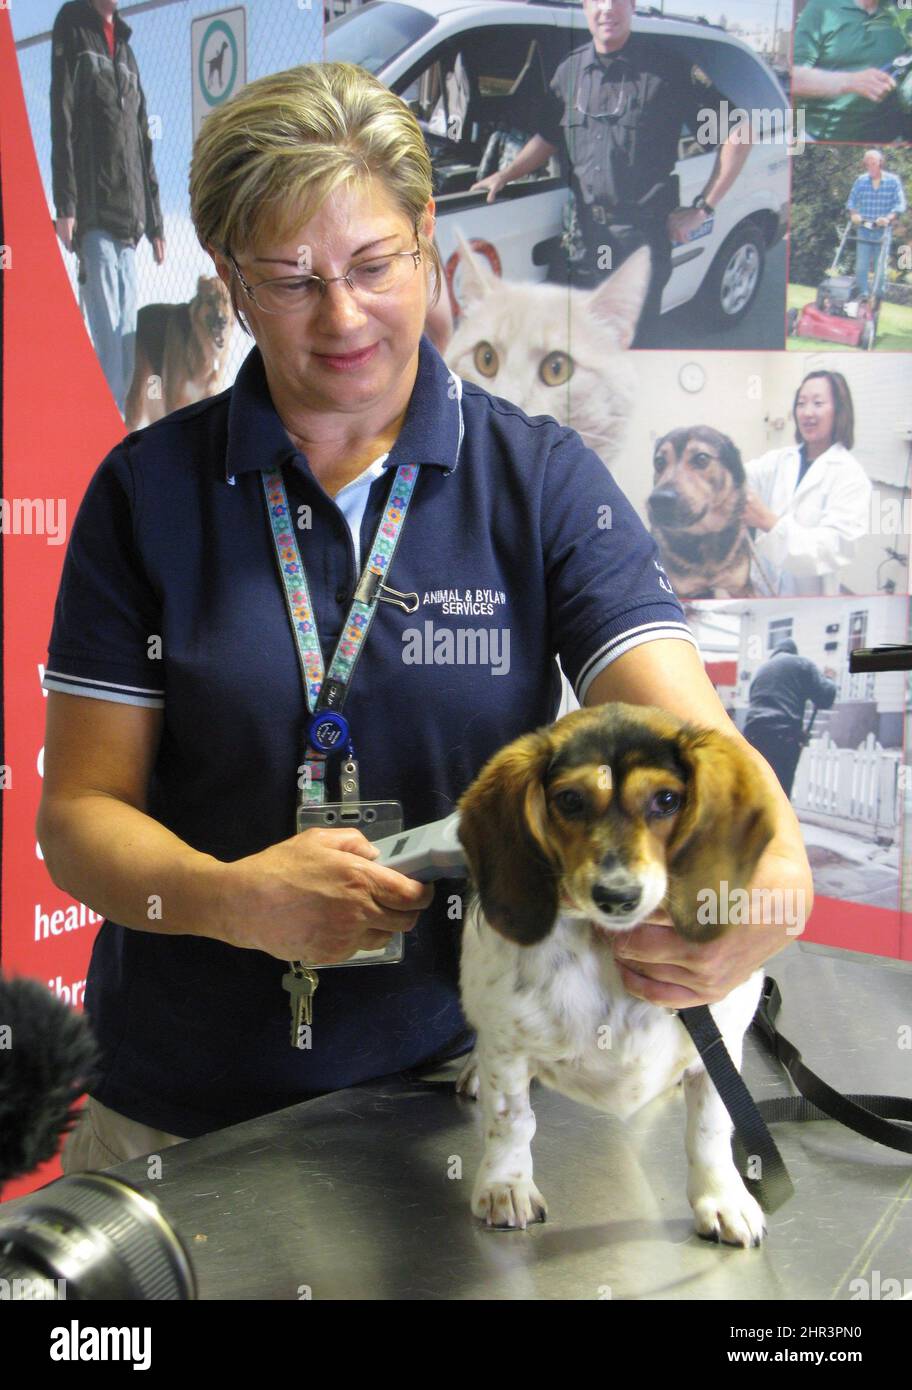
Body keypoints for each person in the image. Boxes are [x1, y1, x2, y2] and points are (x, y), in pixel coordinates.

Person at [38, 62, 812, 1175]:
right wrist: (233, 899)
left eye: (373, 265)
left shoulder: (541, 479)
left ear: (429, 240)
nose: (343, 316)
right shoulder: (146, 495)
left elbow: (689, 732)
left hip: (444, 1107)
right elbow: (78, 815)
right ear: (231, 278)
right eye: (293, 278)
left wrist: (771, 869)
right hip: (173, 1114)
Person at [469, 0, 752, 345]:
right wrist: (505, 174)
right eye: (597, 0)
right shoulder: (570, 72)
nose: (607, 8)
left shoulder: (668, 71)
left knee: (630, 348)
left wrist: (702, 208)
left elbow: (739, 132)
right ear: (586, 7)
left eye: (618, 0)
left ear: (632, 5)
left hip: (640, 239)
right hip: (583, 237)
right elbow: (548, 136)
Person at [51, 0, 166, 416]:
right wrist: (66, 203)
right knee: (107, 351)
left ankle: (108, 434)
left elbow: (142, 139)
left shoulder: (127, 48)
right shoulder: (73, 27)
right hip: (93, 214)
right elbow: (60, 115)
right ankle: (98, 441)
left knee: (126, 343)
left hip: (129, 220)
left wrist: (155, 223)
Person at [743, 370, 872, 598]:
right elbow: (742, 475)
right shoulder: (781, 459)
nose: (807, 412)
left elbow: (832, 549)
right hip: (761, 588)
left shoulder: (851, 476)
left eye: (818, 403)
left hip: (809, 598)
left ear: (840, 411)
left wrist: (768, 522)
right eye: (801, 404)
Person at [791, 0, 907, 143]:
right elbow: (794, 79)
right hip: (818, 139)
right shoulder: (821, 7)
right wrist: (849, 82)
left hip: (887, 140)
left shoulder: (901, 12)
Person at [742, 641, 837, 799]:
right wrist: (830, 679)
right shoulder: (802, 664)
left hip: (752, 735)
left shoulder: (762, 670)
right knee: (779, 796)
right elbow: (825, 697)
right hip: (782, 737)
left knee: (756, 792)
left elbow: (763, 707)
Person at [845, 149, 906, 302]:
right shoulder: (861, 180)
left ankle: (877, 297)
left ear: (880, 163)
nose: (871, 167)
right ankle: (863, 296)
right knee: (861, 265)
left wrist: (888, 218)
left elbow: (900, 204)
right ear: (865, 164)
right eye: (868, 164)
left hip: (883, 230)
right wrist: (854, 214)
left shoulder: (893, 181)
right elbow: (851, 201)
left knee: (881, 267)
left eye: (874, 163)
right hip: (864, 228)